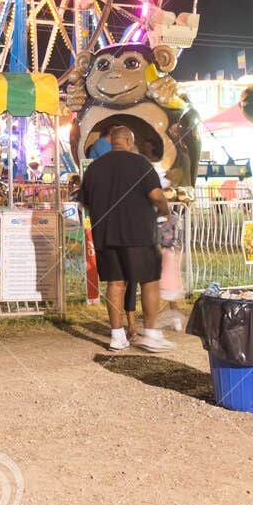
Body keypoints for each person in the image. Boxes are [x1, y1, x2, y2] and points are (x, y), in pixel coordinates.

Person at [82, 124, 175, 352]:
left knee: (115, 283)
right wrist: (165, 210)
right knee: (149, 281)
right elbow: (155, 194)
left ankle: (117, 336)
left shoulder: (94, 167)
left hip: (105, 233)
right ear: (129, 141)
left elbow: (84, 201)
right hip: (138, 231)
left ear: (111, 141)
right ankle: (151, 334)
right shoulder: (140, 163)